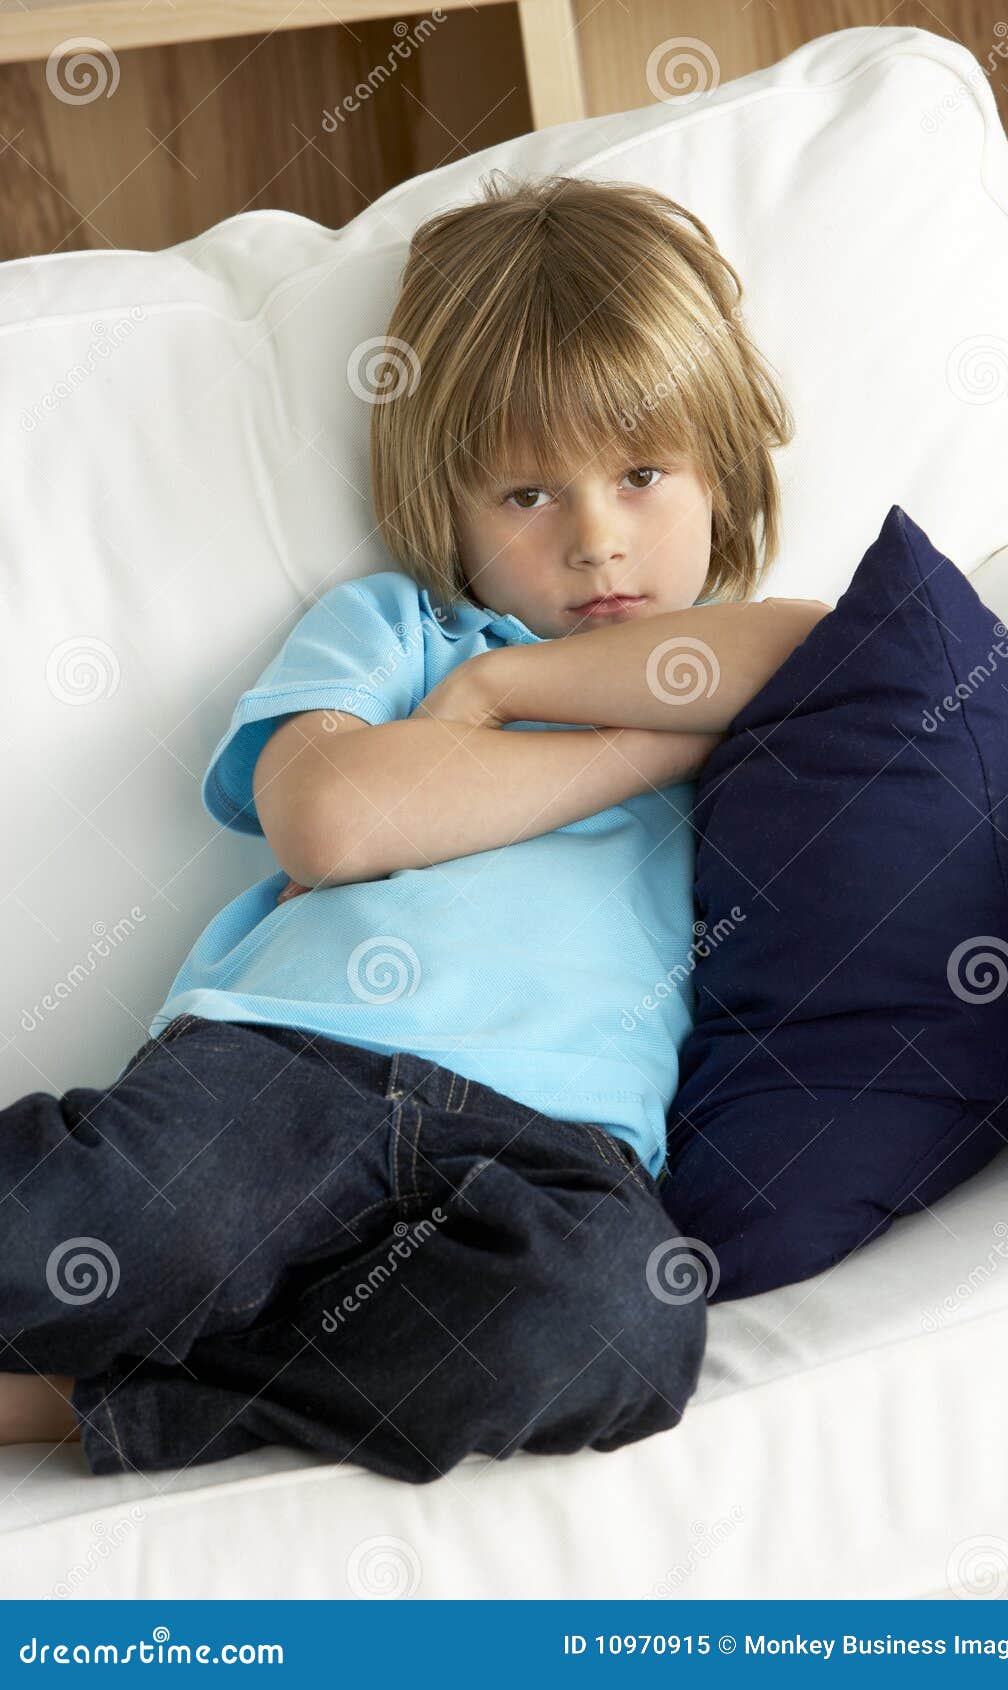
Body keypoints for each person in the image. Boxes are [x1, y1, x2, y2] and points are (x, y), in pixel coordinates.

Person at [0, 171, 827, 1482]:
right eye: (527, 495)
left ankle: (97, 1396)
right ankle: (112, 1351)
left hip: (551, 1155)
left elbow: (819, 642)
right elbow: (329, 819)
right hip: (289, 1072)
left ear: (721, 476)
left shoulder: (731, 676)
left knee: (619, 1327)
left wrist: (524, 700)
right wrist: (567, 711)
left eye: (643, 471)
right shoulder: (406, 633)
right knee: (121, 1229)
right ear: (449, 508)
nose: (597, 540)